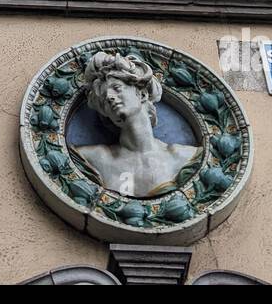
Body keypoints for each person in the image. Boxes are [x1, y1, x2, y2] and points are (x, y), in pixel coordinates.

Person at [73, 51, 201, 197]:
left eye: (117, 88)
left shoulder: (185, 157)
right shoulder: (92, 158)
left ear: (142, 94)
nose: (109, 97)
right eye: (103, 99)